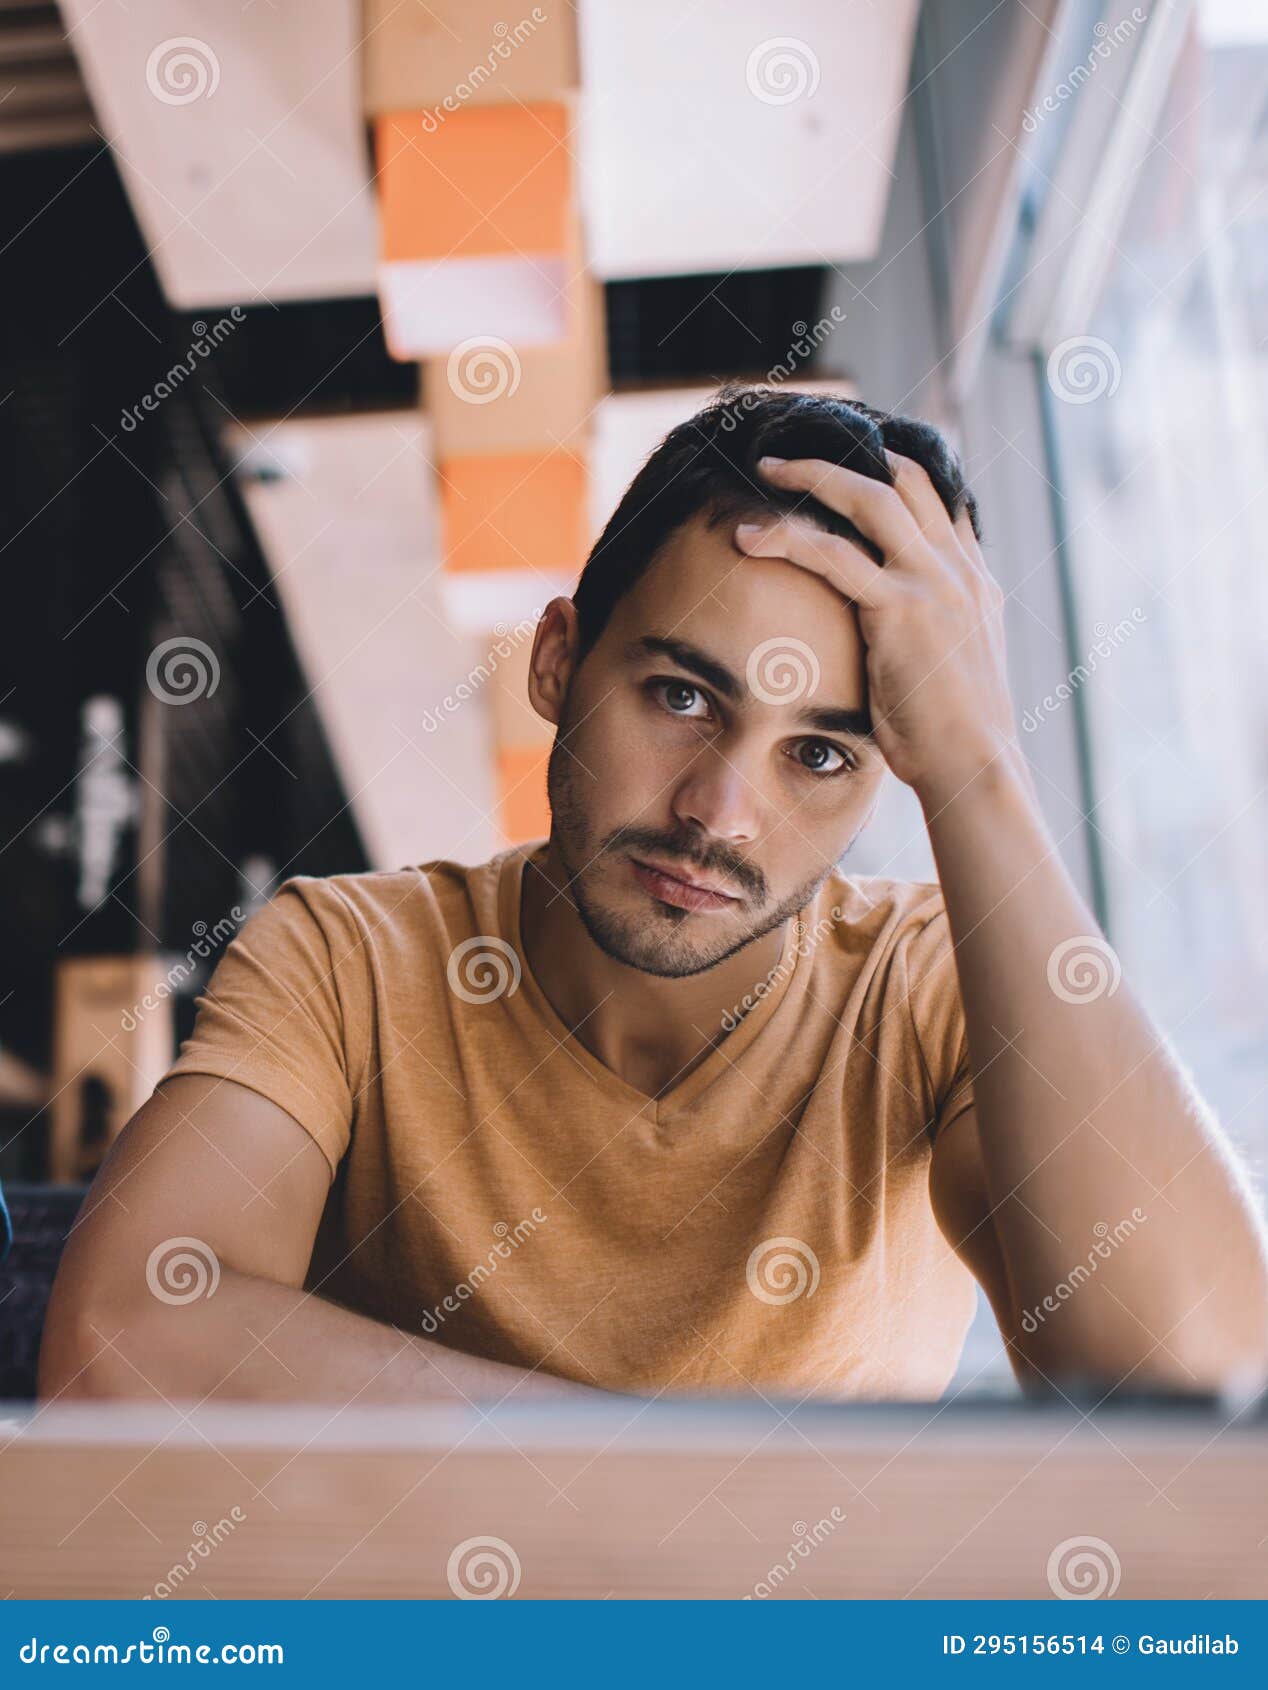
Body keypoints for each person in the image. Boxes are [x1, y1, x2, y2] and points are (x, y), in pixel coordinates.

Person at [39, 388, 1268, 1407]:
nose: (717, 812)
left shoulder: (935, 989)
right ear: (560, 660)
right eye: (682, 695)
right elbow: (124, 1339)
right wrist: (669, 1489)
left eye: (821, 752)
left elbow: (1193, 1411)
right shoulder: (352, 957)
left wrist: (978, 765)